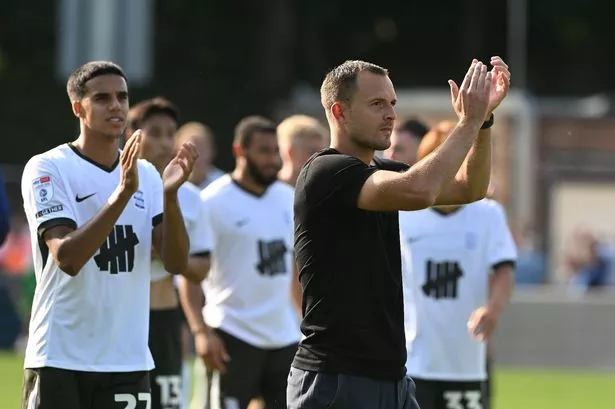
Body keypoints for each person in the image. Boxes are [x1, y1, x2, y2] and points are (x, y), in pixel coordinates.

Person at [288, 57, 511, 409]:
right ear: (339, 111)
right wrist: (467, 121)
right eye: (377, 104)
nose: (391, 114)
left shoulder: (380, 168)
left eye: (392, 103)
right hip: (336, 379)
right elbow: (420, 191)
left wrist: (482, 123)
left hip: (391, 379)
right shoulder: (325, 171)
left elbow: (470, 188)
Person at [20, 60, 197, 409]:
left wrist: (171, 196)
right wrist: (121, 195)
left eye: (122, 96)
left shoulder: (146, 174)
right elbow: (67, 257)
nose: (115, 105)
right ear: (78, 108)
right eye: (102, 98)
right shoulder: (48, 167)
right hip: (59, 356)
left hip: (127, 361)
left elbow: (176, 263)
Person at [386, 120, 516, 409]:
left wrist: (493, 308)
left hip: (465, 362)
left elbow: (504, 268)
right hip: (412, 360)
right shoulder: (403, 213)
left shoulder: (487, 214)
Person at [179, 115, 302, 409]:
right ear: (239, 152)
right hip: (231, 334)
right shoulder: (211, 202)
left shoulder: (289, 199)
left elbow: (296, 268)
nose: (272, 160)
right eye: (263, 151)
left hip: (283, 336)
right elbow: (189, 275)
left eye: (275, 151)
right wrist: (201, 332)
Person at [127, 97, 211, 409]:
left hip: (165, 318)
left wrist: (171, 252)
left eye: (170, 134)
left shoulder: (190, 197)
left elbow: (202, 268)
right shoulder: (115, 185)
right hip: (121, 315)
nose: (164, 143)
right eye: (155, 132)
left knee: (167, 403)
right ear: (132, 135)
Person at [277, 114, 330, 187]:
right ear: (290, 153)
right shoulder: (268, 190)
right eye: (313, 152)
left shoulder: (325, 188)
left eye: (324, 153)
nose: (320, 158)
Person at [175, 122, 225, 190]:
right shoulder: (169, 184)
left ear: (212, 151)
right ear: (176, 152)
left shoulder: (223, 184)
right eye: (188, 150)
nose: (195, 156)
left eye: (201, 150)